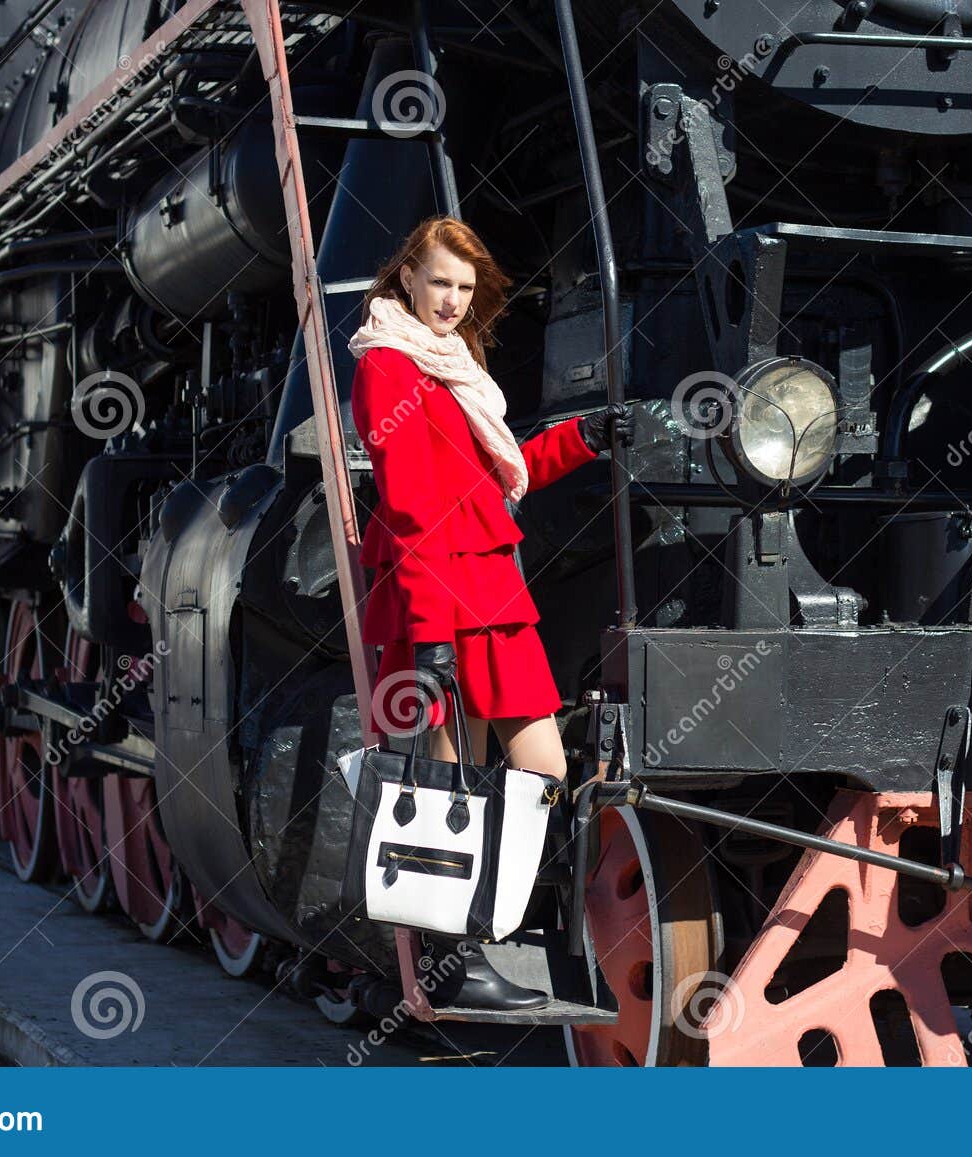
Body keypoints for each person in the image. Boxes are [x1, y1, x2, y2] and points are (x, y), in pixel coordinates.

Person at [348, 215, 633, 1011]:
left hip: (488, 588)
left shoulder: (452, 367)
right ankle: (456, 959)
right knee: (451, 782)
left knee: (540, 767)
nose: (451, 301)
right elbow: (409, 510)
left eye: (466, 289)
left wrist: (580, 438)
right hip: (437, 589)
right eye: (439, 281)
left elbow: (492, 481)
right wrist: (432, 636)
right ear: (407, 276)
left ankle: (493, 926)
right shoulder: (389, 367)